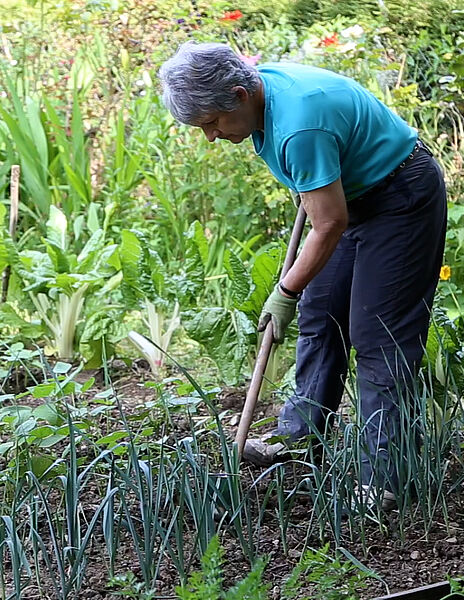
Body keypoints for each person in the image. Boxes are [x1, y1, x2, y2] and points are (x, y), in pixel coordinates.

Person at [158, 42, 447, 508]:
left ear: (239, 93)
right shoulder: (259, 92)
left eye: (212, 122)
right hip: (351, 198)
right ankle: (299, 437)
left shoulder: (298, 126)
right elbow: (326, 208)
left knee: (379, 334)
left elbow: (328, 223)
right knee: (320, 316)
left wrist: (285, 289)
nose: (210, 136)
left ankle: (386, 478)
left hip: (400, 198)